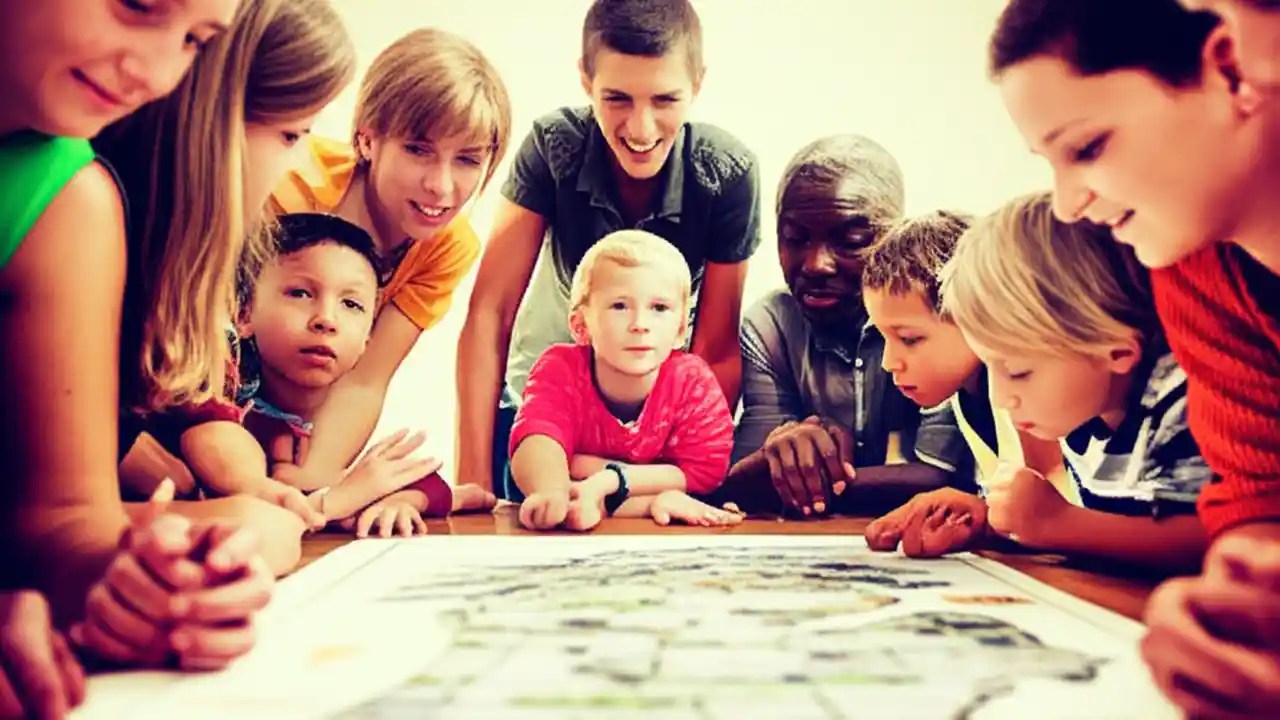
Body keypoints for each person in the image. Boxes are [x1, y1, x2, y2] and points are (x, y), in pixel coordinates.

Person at [0, 0, 305, 686]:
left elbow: (61, 525)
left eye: (195, 40)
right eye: (138, 4)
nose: (161, 74)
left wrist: (140, 583)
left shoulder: (68, 201)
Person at [987, 0, 1280, 713]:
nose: (1066, 204)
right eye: (1050, 163)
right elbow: (1257, 499)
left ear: (1230, 68)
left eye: (1087, 147)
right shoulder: (1192, 270)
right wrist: (1237, 602)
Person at [456, 0, 762, 499]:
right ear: (585, 79)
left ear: (697, 83)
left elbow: (716, 349)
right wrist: (473, 482)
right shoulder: (553, 147)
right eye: (617, 98)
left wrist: (670, 472)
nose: (641, 129)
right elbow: (490, 313)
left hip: (659, 430)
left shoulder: (725, 172)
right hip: (544, 413)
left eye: (665, 100)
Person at [94, 0, 355, 537]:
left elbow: (203, 409)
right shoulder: (91, 215)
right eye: (291, 135)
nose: (301, 162)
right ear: (216, 115)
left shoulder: (193, 261)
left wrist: (252, 486)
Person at [268, 28, 512, 495]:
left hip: (293, 425)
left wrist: (312, 485)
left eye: (466, 160)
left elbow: (364, 380)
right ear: (367, 139)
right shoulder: (288, 179)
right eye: (418, 150)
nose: (441, 187)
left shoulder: (447, 245)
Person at [720, 135, 970, 518]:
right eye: (794, 238)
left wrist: (809, 480)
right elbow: (751, 476)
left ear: (896, 238)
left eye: (851, 241)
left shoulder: (939, 311)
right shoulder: (770, 325)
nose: (816, 264)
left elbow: (944, 477)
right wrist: (783, 453)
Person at [236, 212, 497, 537]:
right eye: (301, 293)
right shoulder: (225, 409)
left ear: (368, 338)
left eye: (351, 304)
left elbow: (438, 486)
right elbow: (250, 508)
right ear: (243, 313)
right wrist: (335, 502)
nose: (326, 319)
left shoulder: (309, 428)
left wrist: (400, 501)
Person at [509, 230, 743, 532]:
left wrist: (603, 478)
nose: (640, 325)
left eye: (659, 308)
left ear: (680, 330)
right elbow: (537, 440)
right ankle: (637, 504)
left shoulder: (693, 382)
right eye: (620, 306)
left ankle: (604, 501)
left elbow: (705, 472)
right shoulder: (559, 368)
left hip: (652, 522)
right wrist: (553, 491)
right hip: (594, 496)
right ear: (580, 325)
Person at [860, 210, 1062, 557]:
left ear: (976, 314)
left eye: (909, 339)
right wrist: (977, 519)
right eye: (884, 338)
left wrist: (986, 518)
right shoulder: (965, 396)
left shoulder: (1018, 388)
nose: (889, 362)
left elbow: (1055, 503)